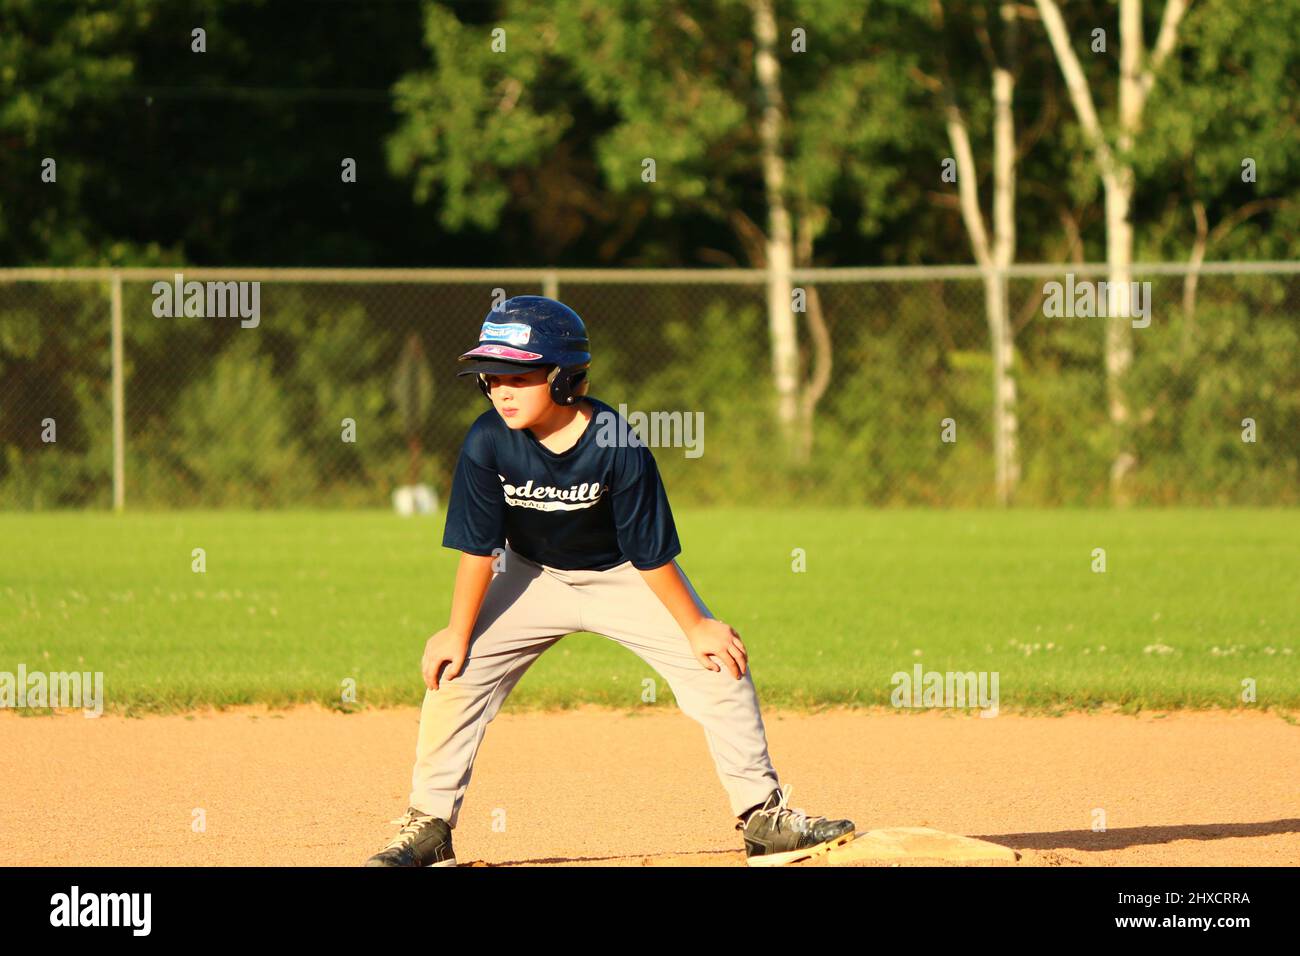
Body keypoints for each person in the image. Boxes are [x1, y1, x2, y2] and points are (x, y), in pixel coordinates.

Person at [365, 296, 855, 867]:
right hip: (529, 575)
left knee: (719, 664)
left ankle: (761, 818)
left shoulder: (616, 442)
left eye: (519, 376)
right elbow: (480, 549)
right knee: (456, 672)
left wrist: (696, 626)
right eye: (491, 376)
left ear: (565, 377)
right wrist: (455, 631)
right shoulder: (486, 441)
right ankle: (429, 828)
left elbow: (649, 553)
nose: (500, 390)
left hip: (623, 574)